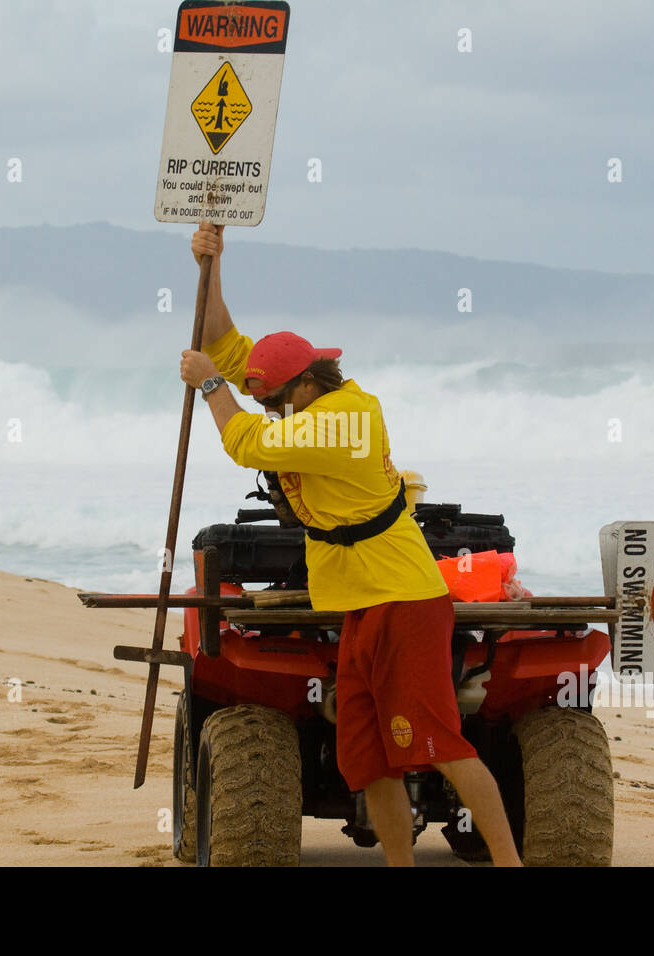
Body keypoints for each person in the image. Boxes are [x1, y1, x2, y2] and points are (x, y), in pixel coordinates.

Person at [177, 222, 521, 867]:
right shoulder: (306, 394)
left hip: (405, 602)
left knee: (443, 745)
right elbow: (220, 341)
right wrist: (212, 262)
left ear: (305, 385)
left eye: (277, 403)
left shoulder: (345, 419)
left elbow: (245, 441)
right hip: (357, 607)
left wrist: (210, 388)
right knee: (368, 758)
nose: (276, 411)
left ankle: (510, 865)